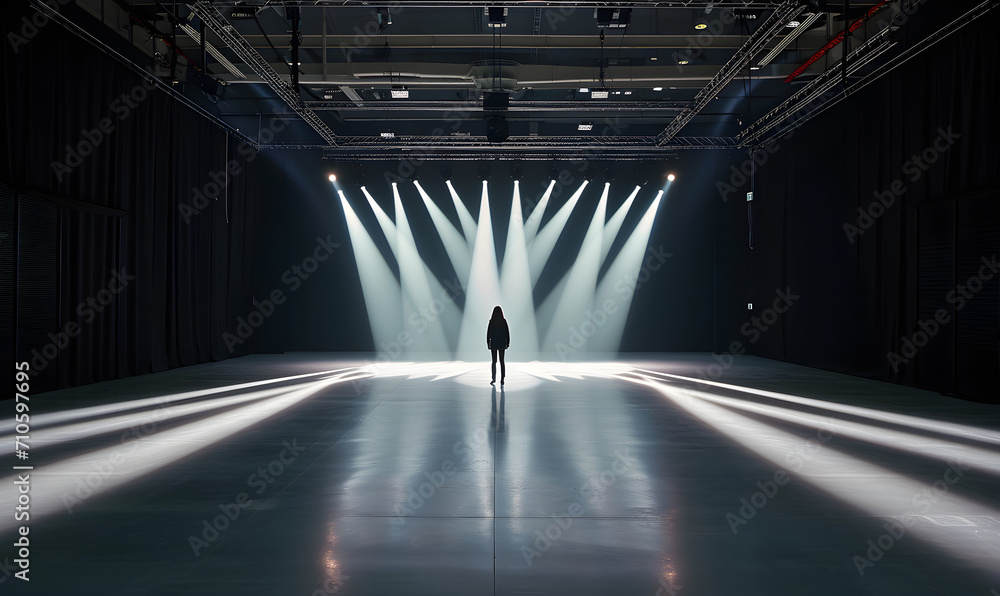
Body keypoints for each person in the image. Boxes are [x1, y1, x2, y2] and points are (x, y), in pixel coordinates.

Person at [486, 305, 510, 385]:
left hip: (494, 343)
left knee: (494, 361)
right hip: (502, 343)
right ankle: (502, 379)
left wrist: (488, 343)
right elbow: (507, 333)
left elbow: (488, 334)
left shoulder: (491, 321)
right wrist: (508, 342)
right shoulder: (503, 321)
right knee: (502, 361)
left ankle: (493, 378)